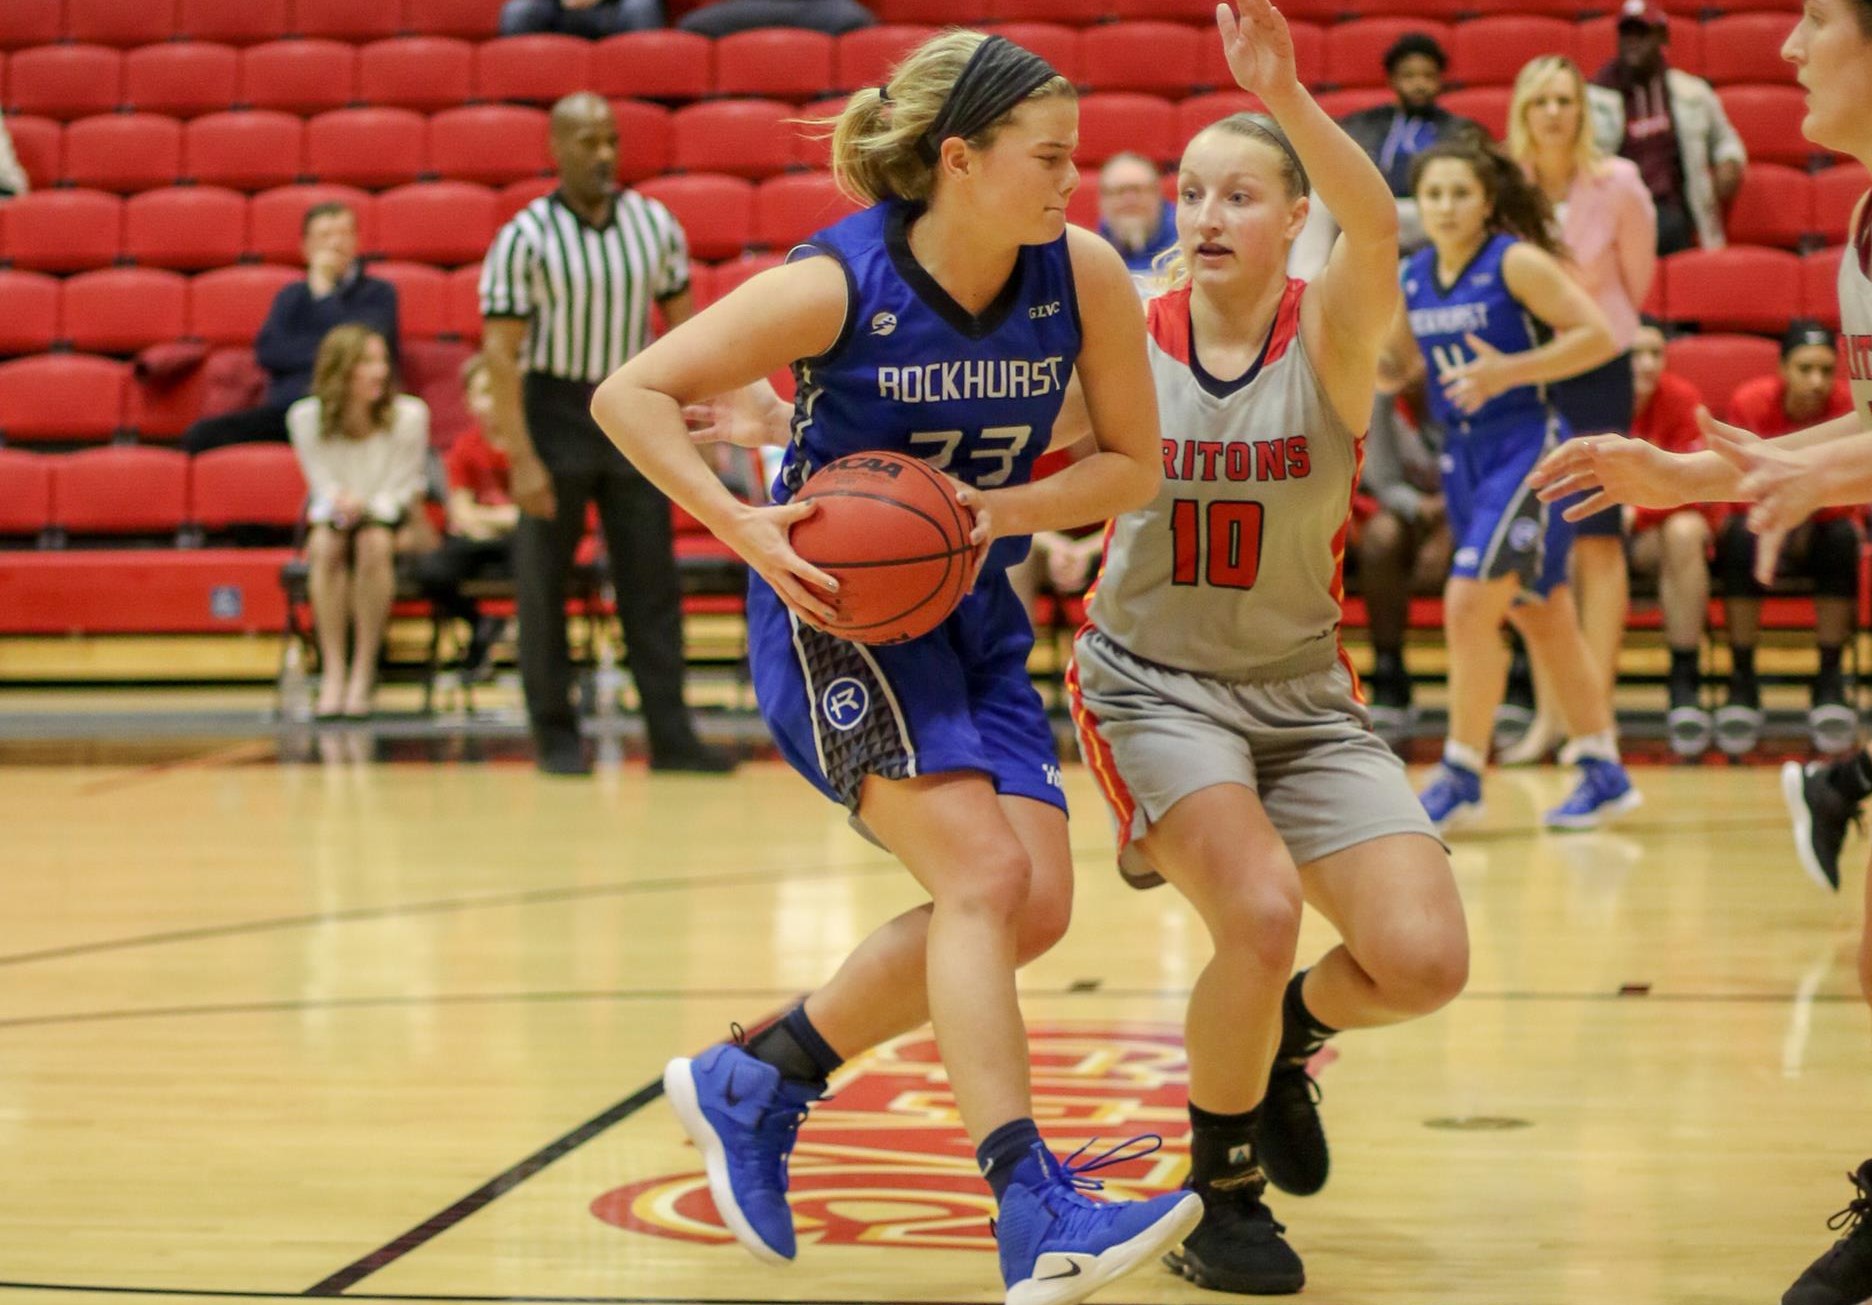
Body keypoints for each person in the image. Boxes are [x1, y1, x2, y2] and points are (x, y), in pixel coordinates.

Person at [591, 29, 1201, 1305]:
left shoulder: (1077, 273)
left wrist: (990, 513)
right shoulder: (833, 284)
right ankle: (1034, 1208)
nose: (1070, 182)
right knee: (981, 876)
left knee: (1033, 907)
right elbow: (629, 395)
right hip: (838, 616)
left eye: (1074, 157)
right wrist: (743, 523)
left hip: (968, 600)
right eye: (1047, 158)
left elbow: (1131, 467)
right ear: (959, 160)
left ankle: (761, 1073)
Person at [1061, 3, 1466, 1291]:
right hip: (1151, 684)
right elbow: (989, 426)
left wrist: (1285, 94)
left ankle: (1285, 1040)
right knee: (1259, 908)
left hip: (1299, 691)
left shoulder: (1331, 335)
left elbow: (1386, 222)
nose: (1205, 217)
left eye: (1240, 195)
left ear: (1297, 218)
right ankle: (1221, 1191)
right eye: (1190, 194)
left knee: (1421, 962)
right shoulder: (1124, 324)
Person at [1531, 8, 1872, 1299]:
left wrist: (1770, 471)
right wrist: (1691, 472)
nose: (1787, 45)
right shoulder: (1858, 229)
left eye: (1821, 19)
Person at [1387, 136, 1639, 831]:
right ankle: (1603, 767)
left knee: (1469, 603)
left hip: (1530, 447)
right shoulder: (1413, 275)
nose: (1444, 206)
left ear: (1488, 201)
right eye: (1433, 194)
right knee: (1542, 610)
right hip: (1461, 457)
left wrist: (1509, 371)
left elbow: (1598, 335)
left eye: (1459, 193)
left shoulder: (1514, 262)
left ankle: (1462, 770)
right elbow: (1394, 367)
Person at [480, 93, 734, 776]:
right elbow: (501, 352)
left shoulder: (654, 224)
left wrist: (694, 421)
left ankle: (672, 735)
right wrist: (522, 456)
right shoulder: (525, 235)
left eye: (611, 140)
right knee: (544, 584)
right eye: (587, 142)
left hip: (628, 405)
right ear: (555, 151)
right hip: (553, 409)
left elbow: (686, 333)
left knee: (651, 581)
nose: (602, 155)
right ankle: (556, 735)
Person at [1498, 54, 1657, 766]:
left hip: (1597, 370)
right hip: (1531, 370)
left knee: (1596, 541)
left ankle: (1598, 723)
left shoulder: (1618, 181)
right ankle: (1550, 718)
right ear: (1524, 113)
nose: (1555, 113)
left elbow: (1638, 274)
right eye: (1542, 102)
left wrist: (1595, 329)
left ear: (1582, 112)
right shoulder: (1505, 186)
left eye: (1565, 100)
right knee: (1539, 544)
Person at [1712, 320, 1861, 753]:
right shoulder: (1750, 402)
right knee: (1738, 536)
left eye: (1825, 370)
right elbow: (1740, 490)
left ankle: (1829, 680)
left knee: (1841, 538)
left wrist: (1802, 508)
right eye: (1805, 368)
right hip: (1762, 525)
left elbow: (1852, 492)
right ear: (1782, 369)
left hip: (1821, 524)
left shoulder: (1849, 407)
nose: (1816, 381)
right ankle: (1742, 679)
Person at [287, 325, 429, 720]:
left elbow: (402, 489)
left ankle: (363, 671)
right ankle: (333, 670)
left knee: (373, 543)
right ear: (340, 370)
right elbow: (321, 484)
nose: (379, 371)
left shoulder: (410, 415)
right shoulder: (305, 418)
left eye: (382, 361)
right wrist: (340, 504)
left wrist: (365, 506)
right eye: (367, 362)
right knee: (325, 545)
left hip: (392, 520)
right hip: (338, 520)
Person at [184, 203, 399, 455]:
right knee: (201, 435)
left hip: (352, 413)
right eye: (324, 236)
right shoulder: (290, 296)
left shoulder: (379, 293)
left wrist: (323, 292)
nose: (334, 244)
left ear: (356, 241)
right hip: (288, 411)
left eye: (343, 234)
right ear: (306, 247)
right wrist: (330, 355)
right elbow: (271, 352)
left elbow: (358, 352)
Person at [1623, 317, 1718, 755]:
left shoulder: (1682, 399)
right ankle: (1544, 685)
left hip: (1650, 533)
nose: (1646, 364)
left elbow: (1697, 487)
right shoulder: (1594, 399)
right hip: (1591, 531)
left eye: (1655, 353)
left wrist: (1636, 512)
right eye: (1635, 354)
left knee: (1685, 531)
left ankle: (1685, 678)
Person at [1588, 0, 1747, 255]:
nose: (1632, 41)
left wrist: (1729, 162)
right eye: (1626, 33)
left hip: (1676, 212)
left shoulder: (1691, 93)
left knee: (1669, 226)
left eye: (1641, 33)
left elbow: (1726, 139)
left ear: (1661, 37)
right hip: (1615, 215)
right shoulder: (1593, 98)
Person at [1356, 375, 1451, 722]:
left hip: (1464, 509)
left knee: (1513, 532)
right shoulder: (1380, 396)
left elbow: (1481, 469)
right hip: (1409, 511)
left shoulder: (1461, 388)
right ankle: (1388, 667)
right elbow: (1382, 481)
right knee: (1381, 538)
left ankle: (1520, 674)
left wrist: (1449, 524)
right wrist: (1420, 508)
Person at [416, 355, 516, 682]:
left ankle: (526, 645)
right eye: (484, 392)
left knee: (540, 556)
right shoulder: (465, 448)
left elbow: (534, 512)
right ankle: (481, 625)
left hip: (520, 543)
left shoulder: (529, 443)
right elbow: (461, 512)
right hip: (478, 541)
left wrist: (486, 518)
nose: (493, 400)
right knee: (429, 569)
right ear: (469, 403)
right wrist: (500, 518)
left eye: (499, 389)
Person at [1336, 33, 1483, 254]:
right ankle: (1306, 279)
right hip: (1369, 213)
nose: (1419, 84)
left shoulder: (1462, 130)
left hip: (1434, 213)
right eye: (1409, 76)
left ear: (1440, 80)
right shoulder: (1361, 124)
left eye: (1428, 76)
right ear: (1392, 79)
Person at [1095, 151, 1178, 281]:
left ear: (1158, 194)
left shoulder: (1185, 248)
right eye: (1119, 191)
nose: (1129, 199)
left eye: (1138, 190)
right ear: (1102, 200)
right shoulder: (1091, 253)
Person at [499, 0, 662, 37]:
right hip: (556, 8)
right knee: (519, 11)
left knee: (642, 7)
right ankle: (518, 100)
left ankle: (644, 99)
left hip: (615, 6)